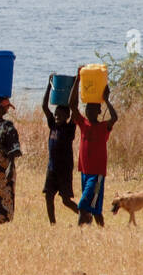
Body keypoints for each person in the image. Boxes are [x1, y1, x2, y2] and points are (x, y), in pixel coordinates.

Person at [68, 68, 119, 227]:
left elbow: (115, 117)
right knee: (95, 208)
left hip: (96, 174)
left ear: (98, 111)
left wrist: (107, 99)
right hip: (84, 172)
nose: (89, 111)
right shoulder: (84, 124)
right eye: (87, 108)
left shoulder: (104, 127)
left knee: (84, 203)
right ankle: (101, 231)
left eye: (92, 109)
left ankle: (80, 229)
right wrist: (77, 80)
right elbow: (72, 105)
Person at [41, 76, 79, 224]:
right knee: (48, 196)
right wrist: (49, 85)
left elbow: (73, 106)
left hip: (64, 169)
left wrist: (77, 82)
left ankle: (85, 216)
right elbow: (45, 106)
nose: (56, 116)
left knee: (65, 200)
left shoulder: (69, 128)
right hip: (52, 168)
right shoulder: (53, 125)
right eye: (56, 114)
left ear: (67, 116)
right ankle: (52, 224)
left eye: (60, 115)